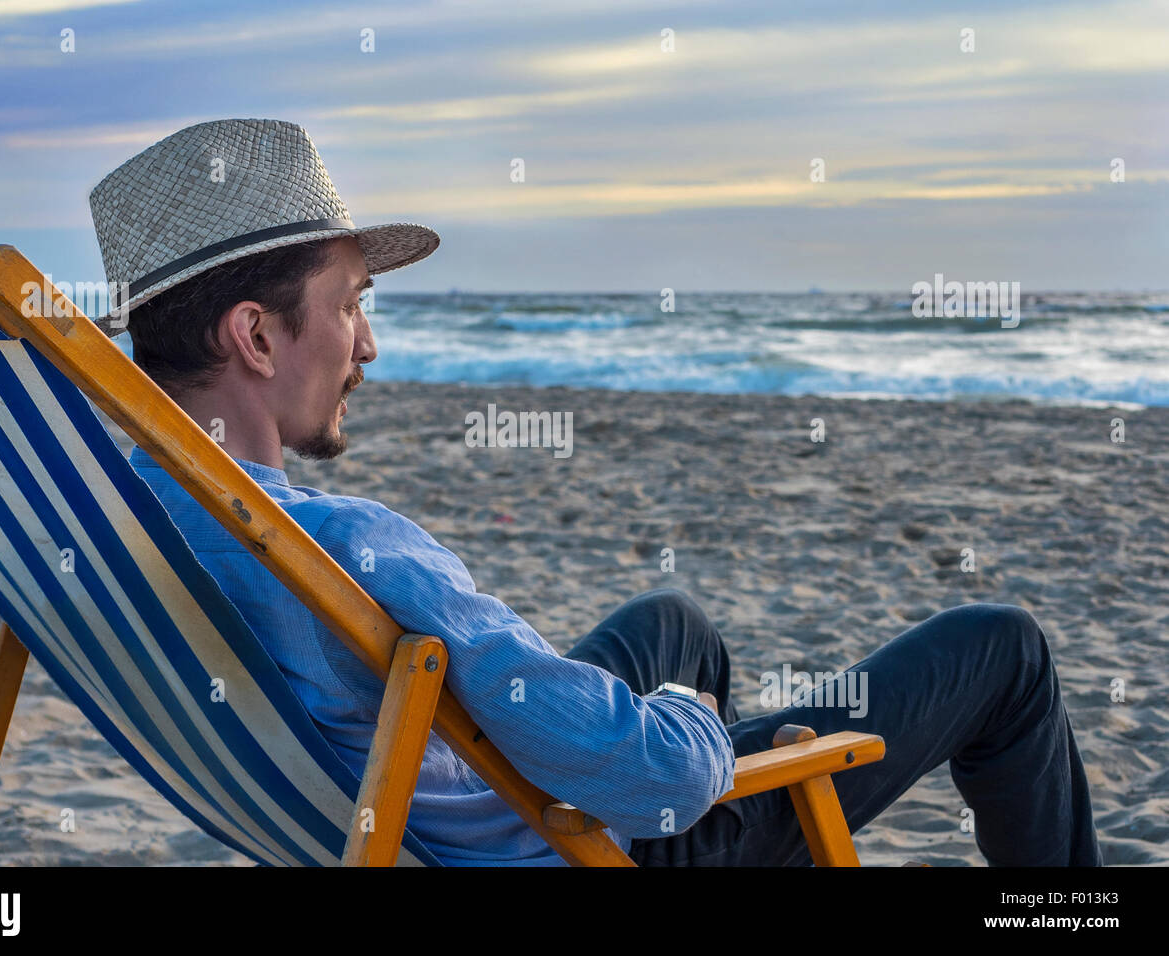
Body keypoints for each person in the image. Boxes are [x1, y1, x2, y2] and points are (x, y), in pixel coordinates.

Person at [88, 118, 1102, 866]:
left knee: (673, 620)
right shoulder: (344, 543)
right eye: (348, 306)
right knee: (999, 645)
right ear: (257, 335)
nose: (367, 344)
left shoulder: (108, 516)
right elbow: (661, 774)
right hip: (563, 842)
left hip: (419, 804)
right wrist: (678, 721)